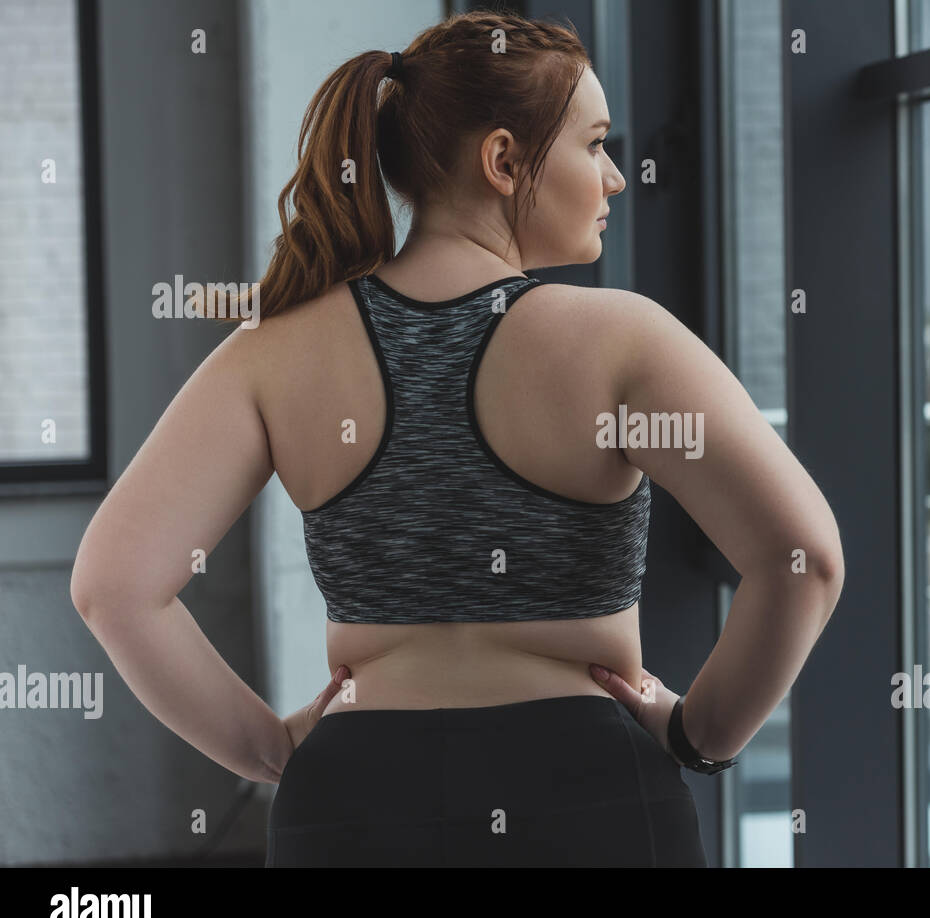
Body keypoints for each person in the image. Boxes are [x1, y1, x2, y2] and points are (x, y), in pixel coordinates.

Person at [69, 9, 844, 867]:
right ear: (505, 161)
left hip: (352, 802)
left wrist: (271, 748)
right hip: (591, 794)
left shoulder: (275, 348)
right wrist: (701, 735)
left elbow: (114, 587)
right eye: (594, 145)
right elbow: (805, 558)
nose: (617, 177)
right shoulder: (625, 340)